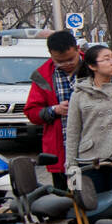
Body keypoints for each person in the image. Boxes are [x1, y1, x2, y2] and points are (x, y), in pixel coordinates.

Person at [64, 45, 112, 194]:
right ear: (92, 66)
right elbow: (73, 132)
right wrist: (71, 166)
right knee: (94, 207)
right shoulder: (79, 94)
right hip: (89, 159)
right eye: (106, 59)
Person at [24, 30, 84, 192]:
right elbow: (31, 112)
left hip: (93, 150)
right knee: (69, 197)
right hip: (62, 150)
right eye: (60, 61)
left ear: (78, 48)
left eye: (71, 59)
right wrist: (54, 110)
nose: (66, 64)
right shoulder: (42, 75)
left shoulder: (95, 66)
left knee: (93, 198)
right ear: (50, 54)